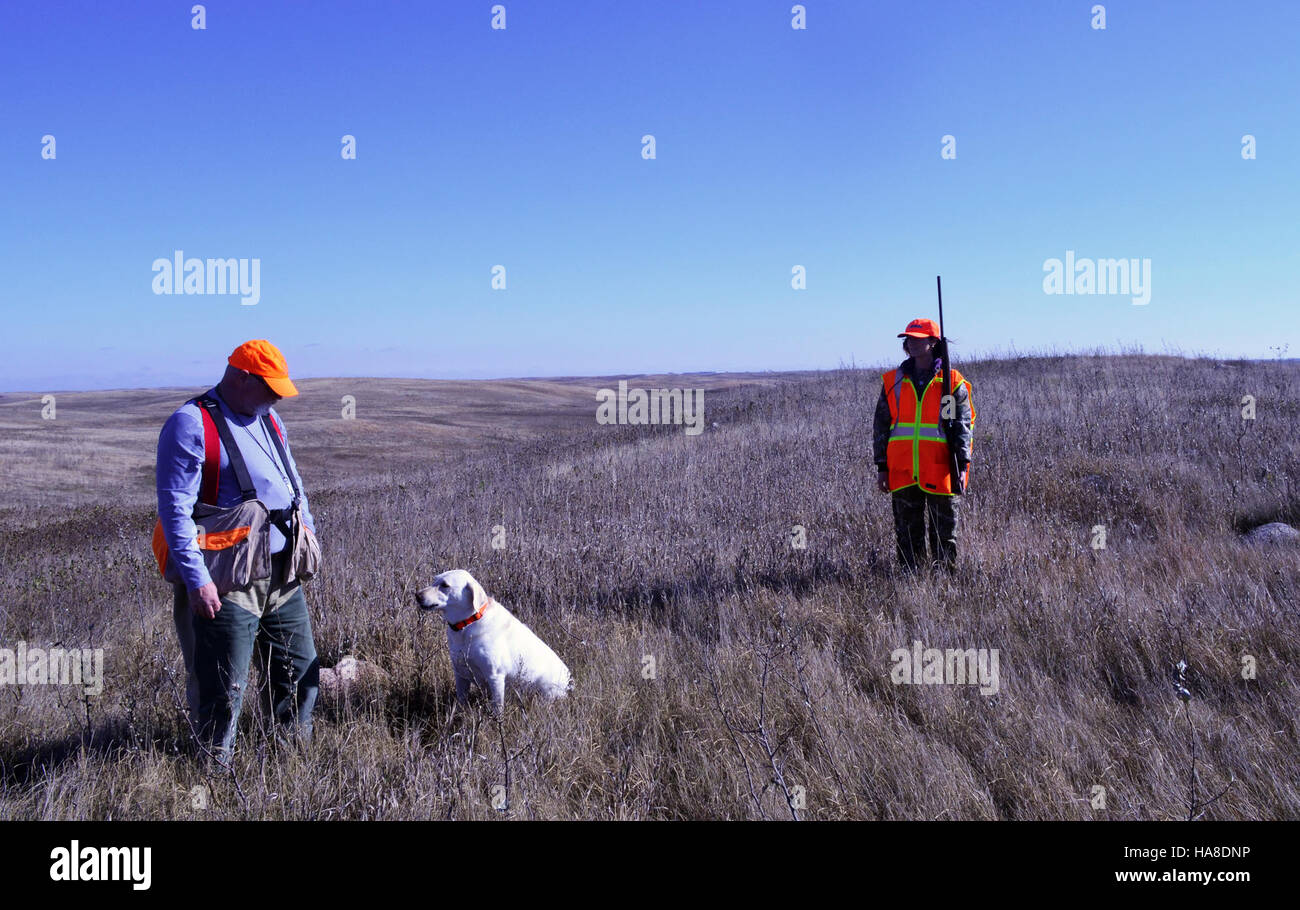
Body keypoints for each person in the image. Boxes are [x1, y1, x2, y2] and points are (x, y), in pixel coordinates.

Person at [156, 339, 320, 763]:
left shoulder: (269, 418)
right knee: (224, 686)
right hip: (227, 580)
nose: (276, 398)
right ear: (242, 377)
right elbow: (174, 512)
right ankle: (212, 774)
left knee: (298, 672)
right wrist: (198, 581)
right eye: (271, 388)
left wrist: (308, 538)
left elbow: (293, 480)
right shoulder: (190, 424)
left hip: (283, 574)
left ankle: (291, 762)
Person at [872, 318, 975, 573]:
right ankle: (911, 581)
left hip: (941, 468)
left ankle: (943, 585)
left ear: (932, 342)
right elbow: (881, 426)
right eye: (909, 339)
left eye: (918, 339)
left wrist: (962, 465)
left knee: (945, 535)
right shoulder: (893, 381)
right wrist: (882, 467)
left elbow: (962, 425)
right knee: (907, 534)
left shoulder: (951, 382)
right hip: (903, 469)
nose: (911, 343)